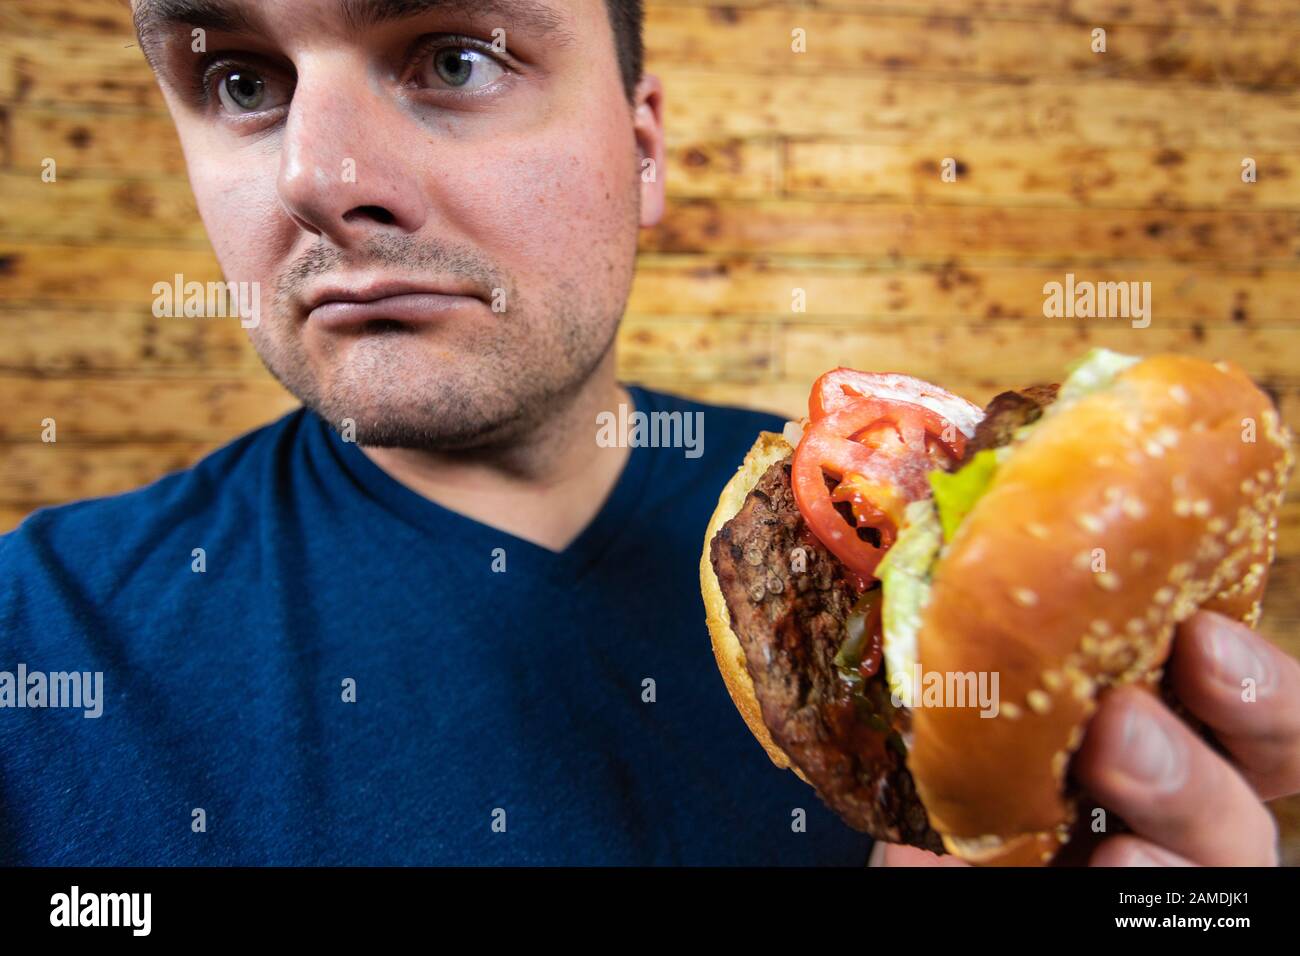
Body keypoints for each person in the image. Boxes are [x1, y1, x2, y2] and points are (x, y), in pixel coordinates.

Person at [0, 0, 1295, 866]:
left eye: (455, 57)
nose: (320, 179)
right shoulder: (37, 631)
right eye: (239, 81)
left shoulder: (863, 517)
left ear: (645, 148)